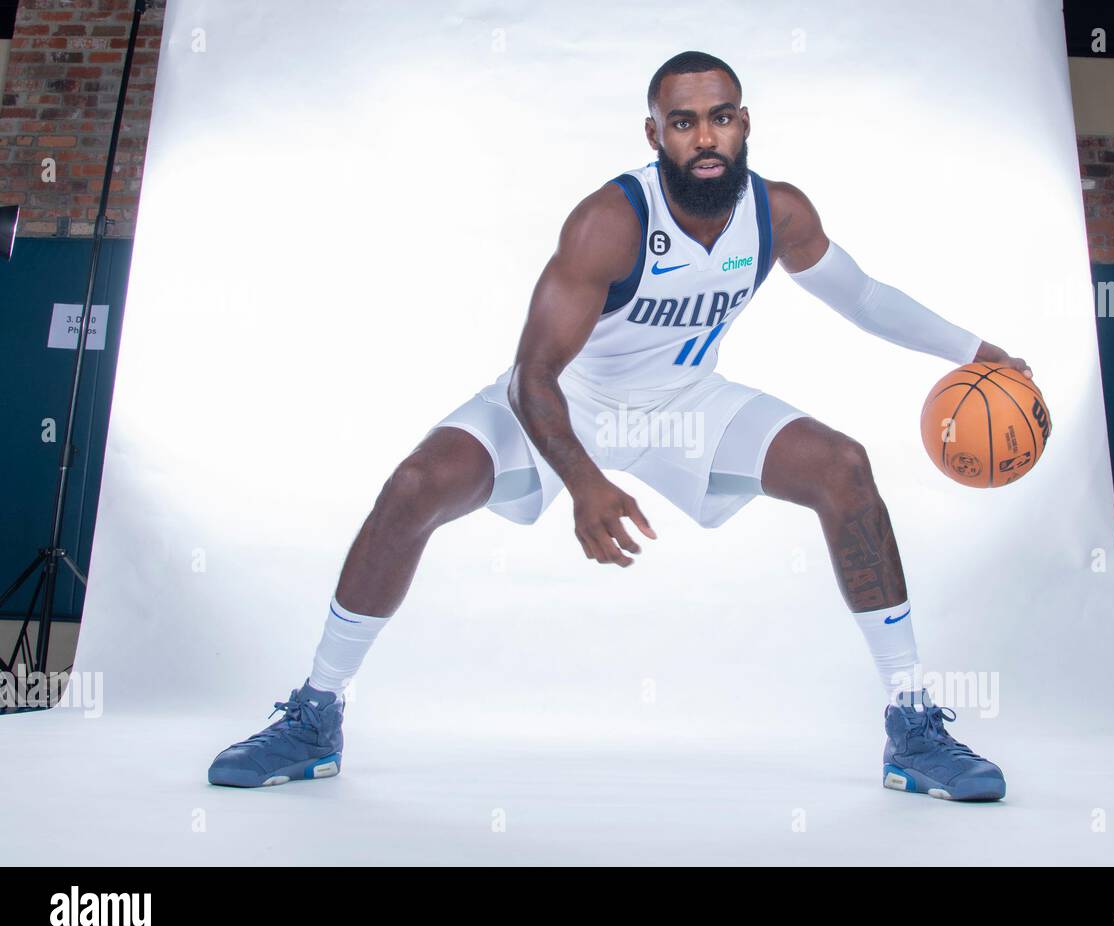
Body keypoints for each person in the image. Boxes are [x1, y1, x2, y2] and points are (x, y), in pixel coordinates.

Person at [208, 51, 1031, 801]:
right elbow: (534, 375)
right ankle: (316, 714)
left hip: (684, 405)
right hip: (565, 403)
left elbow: (862, 296)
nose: (705, 137)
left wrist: (979, 351)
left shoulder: (777, 213)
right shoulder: (611, 221)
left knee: (844, 468)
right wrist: (585, 482)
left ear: (744, 122)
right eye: (684, 122)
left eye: (721, 116)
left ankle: (911, 728)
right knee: (416, 486)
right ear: (655, 132)